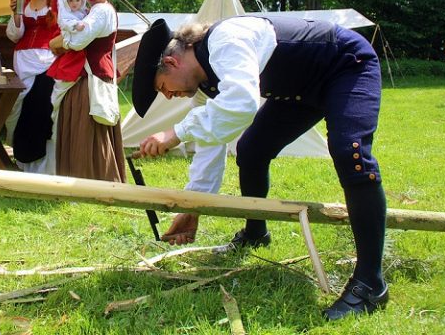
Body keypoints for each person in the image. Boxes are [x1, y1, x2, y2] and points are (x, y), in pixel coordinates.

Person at [132, 16, 388, 321]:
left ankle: (371, 283)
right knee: (252, 151)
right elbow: (211, 141)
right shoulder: (203, 84)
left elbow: (242, 102)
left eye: (164, 88)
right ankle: (256, 233)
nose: (169, 96)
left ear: (172, 62)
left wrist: (175, 133)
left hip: (345, 65)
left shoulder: (226, 40)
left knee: (351, 153)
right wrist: (193, 209)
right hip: (300, 91)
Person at [47, 0, 126, 181]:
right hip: (84, 76)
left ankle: (94, 178)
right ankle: (78, 177)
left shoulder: (102, 10)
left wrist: (60, 43)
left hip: (93, 78)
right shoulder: (89, 11)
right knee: (80, 126)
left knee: (88, 129)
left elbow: (80, 41)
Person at [4, 0, 60, 173]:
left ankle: (46, 165)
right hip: (23, 63)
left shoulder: (59, 2)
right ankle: (24, 161)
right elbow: (14, 35)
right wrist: (17, 17)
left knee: (43, 108)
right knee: (21, 107)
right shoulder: (23, 4)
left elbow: (71, 25)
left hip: (50, 61)